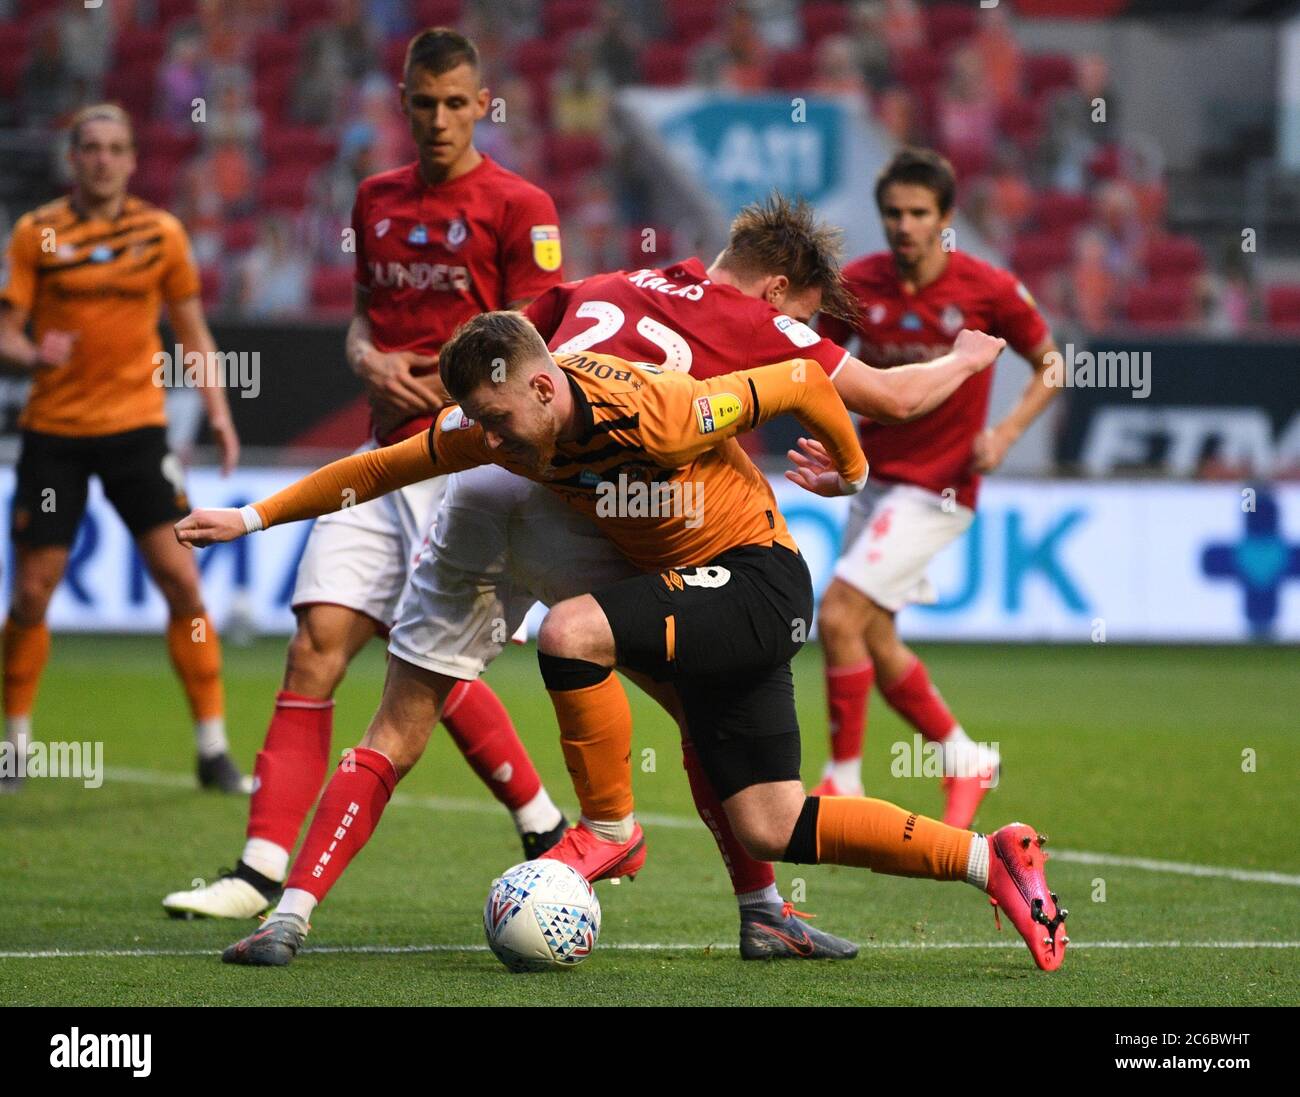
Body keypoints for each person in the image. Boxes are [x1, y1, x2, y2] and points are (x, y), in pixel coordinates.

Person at [176, 311, 1068, 973]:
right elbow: (376, 467)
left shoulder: (658, 412)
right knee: (774, 818)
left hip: (756, 582)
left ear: (543, 384)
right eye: (475, 427)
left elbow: (799, 378)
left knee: (571, 631)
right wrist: (251, 516)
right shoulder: (499, 423)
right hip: (698, 596)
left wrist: (854, 471)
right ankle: (993, 859)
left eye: (497, 422)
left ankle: (608, 825)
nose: (486, 443)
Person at [162, 28, 567, 919]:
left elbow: (545, 351)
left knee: (426, 665)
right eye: (423, 103)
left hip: (461, 461)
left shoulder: (521, 204)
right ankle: (260, 869)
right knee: (316, 647)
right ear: (403, 101)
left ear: (482, 103)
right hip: (378, 452)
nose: (439, 120)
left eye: (457, 104)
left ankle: (542, 823)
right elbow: (358, 319)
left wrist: (460, 385)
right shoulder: (375, 198)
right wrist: (366, 358)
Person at [812, 148, 1060, 828]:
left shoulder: (988, 288)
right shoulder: (856, 285)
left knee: (835, 616)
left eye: (919, 213)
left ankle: (842, 780)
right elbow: (815, 374)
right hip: (874, 483)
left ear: (946, 218)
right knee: (873, 637)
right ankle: (965, 758)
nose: (904, 225)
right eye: (893, 212)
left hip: (940, 489)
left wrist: (1006, 434)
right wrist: (842, 464)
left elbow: (1052, 363)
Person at [0, 103, 243, 793]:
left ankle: (212, 746)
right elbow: (5, 334)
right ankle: (14, 744)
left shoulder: (160, 233)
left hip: (139, 432)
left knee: (182, 581)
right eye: (91, 148)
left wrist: (221, 413)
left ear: (133, 160)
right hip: (55, 435)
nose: (103, 159)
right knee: (32, 592)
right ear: (72, 158)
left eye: (116, 148)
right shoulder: (36, 233)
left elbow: (193, 334)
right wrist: (29, 352)